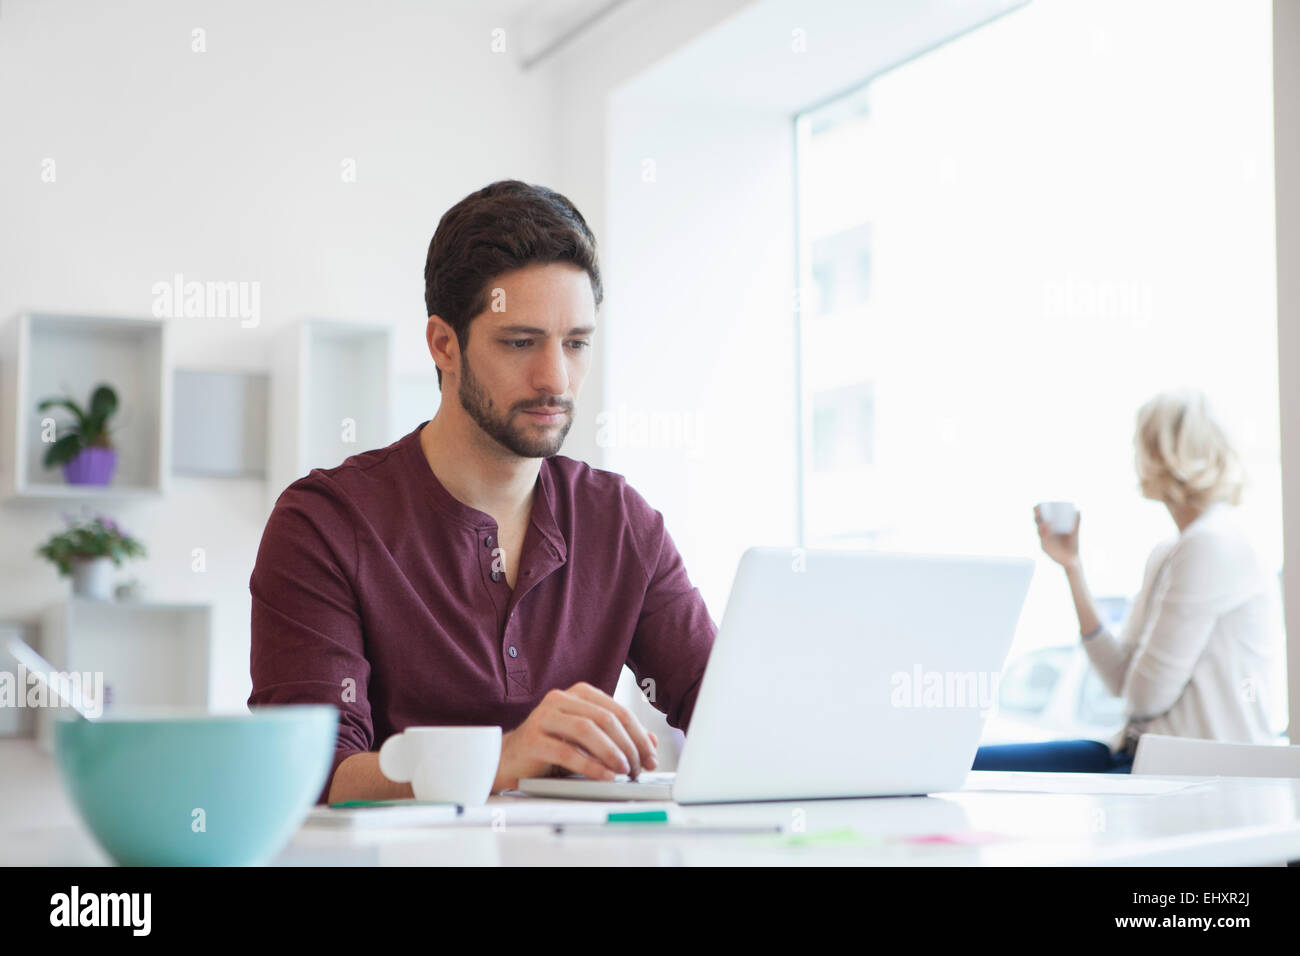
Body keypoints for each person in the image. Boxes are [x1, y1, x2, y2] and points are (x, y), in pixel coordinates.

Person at [248, 180, 717, 804]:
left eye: (576, 343)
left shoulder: (622, 523)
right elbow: (308, 780)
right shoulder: (323, 524)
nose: (555, 378)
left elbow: (726, 714)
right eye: (520, 342)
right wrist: (505, 756)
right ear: (444, 345)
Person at [973, 389, 1283, 773]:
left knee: (971, 767)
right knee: (967, 762)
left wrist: (1136, 687)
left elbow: (1144, 699)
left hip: (1192, 768)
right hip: (1137, 752)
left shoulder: (1212, 544)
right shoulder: (1171, 551)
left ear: (1159, 453)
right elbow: (1122, 681)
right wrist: (1072, 566)